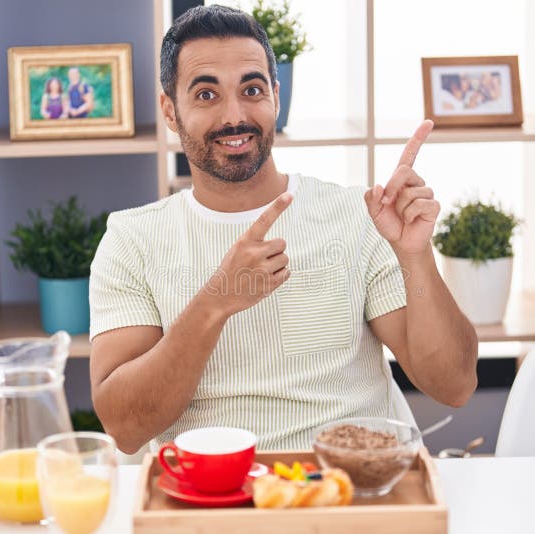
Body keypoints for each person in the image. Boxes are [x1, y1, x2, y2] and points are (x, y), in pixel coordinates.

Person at [88, 5, 478, 454]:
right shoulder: (132, 240)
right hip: (209, 498)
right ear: (170, 111)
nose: (234, 115)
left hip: (352, 487)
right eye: (206, 95)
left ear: (275, 95)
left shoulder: (360, 216)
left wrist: (415, 254)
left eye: (251, 89)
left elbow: (455, 385)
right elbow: (125, 425)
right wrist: (215, 302)